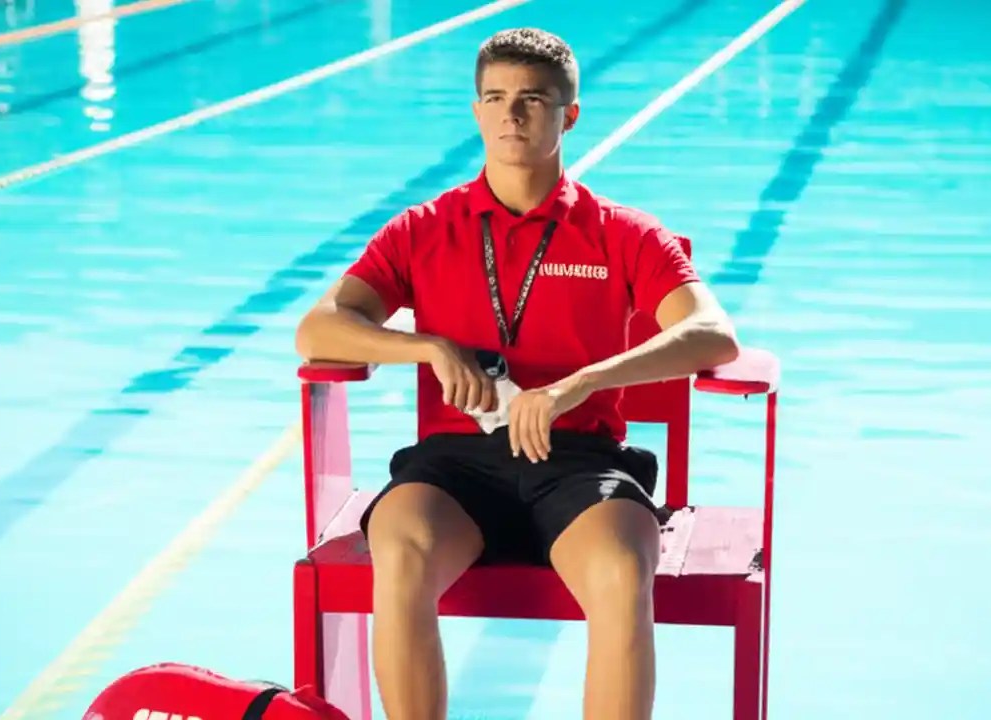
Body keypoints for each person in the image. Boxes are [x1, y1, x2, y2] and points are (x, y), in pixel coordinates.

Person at [294, 27, 739, 720]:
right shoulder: (424, 227)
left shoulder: (622, 232)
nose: (512, 114)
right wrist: (430, 346)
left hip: (581, 465)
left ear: (570, 114)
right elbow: (320, 328)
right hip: (456, 469)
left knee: (623, 570)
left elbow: (713, 334)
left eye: (533, 99)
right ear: (476, 111)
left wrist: (581, 382)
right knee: (401, 550)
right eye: (496, 98)